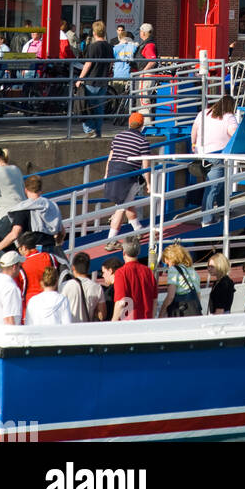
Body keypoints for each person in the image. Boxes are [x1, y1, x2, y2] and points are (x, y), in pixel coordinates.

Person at [104, 112, 153, 246]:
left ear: (129, 123)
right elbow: (146, 166)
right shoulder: (143, 141)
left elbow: (111, 157)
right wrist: (148, 183)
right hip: (128, 176)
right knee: (121, 207)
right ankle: (111, 240)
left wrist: (106, 174)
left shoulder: (118, 137)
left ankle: (138, 229)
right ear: (142, 126)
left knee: (128, 203)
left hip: (113, 172)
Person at [191, 94, 238, 220]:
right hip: (217, 154)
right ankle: (206, 218)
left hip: (201, 153)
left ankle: (223, 207)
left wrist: (193, 144)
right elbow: (234, 133)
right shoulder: (229, 117)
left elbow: (194, 130)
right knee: (213, 186)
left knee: (219, 181)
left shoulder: (203, 113)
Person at [0, 175, 63, 256]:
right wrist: (58, 243)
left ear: (26, 190)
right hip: (51, 252)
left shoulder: (22, 208)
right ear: (41, 190)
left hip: (33, 252)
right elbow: (62, 232)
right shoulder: (52, 206)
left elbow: (14, 234)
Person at [77, 19, 113, 137]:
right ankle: (98, 131)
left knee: (87, 106)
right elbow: (111, 63)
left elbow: (88, 64)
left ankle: (89, 130)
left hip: (91, 80)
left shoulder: (93, 47)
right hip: (103, 81)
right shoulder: (109, 46)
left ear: (94, 32)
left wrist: (80, 78)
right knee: (99, 108)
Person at [112, 237, 157, 320]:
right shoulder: (148, 271)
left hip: (129, 322)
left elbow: (121, 302)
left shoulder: (121, 273)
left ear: (124, 252)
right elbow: (154, 301)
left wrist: (113, 322)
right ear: (138, 252)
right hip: (146, 320)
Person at [158, 243, 202, 317]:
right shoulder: (193, 271)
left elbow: (170, 297)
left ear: (170, 258)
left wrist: (161, 314)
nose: (167, 265)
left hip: (180, 311)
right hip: (194, 311)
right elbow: (198, 295)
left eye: (167, 262)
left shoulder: (173, 269)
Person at [63, 251, 106, 322]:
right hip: (87, 329)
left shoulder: (65, 286)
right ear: (88, 267)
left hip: (69, 328)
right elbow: (102, 316)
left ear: (73, 267)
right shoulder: (97, 287)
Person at [134, 22, 159, 115]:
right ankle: (143, 123)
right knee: (142, 100)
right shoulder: (147, 44)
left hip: (145, 75)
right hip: (145, 75)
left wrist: (143, 72)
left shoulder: (149, 45)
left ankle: (146, 124)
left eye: (140, 31)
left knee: (143, 101)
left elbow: (152, 60)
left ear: (144, 33)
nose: (140, 33)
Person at [0, 251, 23, 324]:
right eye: (20, 266)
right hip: (6, 333)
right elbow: (9, 318)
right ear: (14, 267)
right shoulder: (10, 288)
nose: (20, 269)